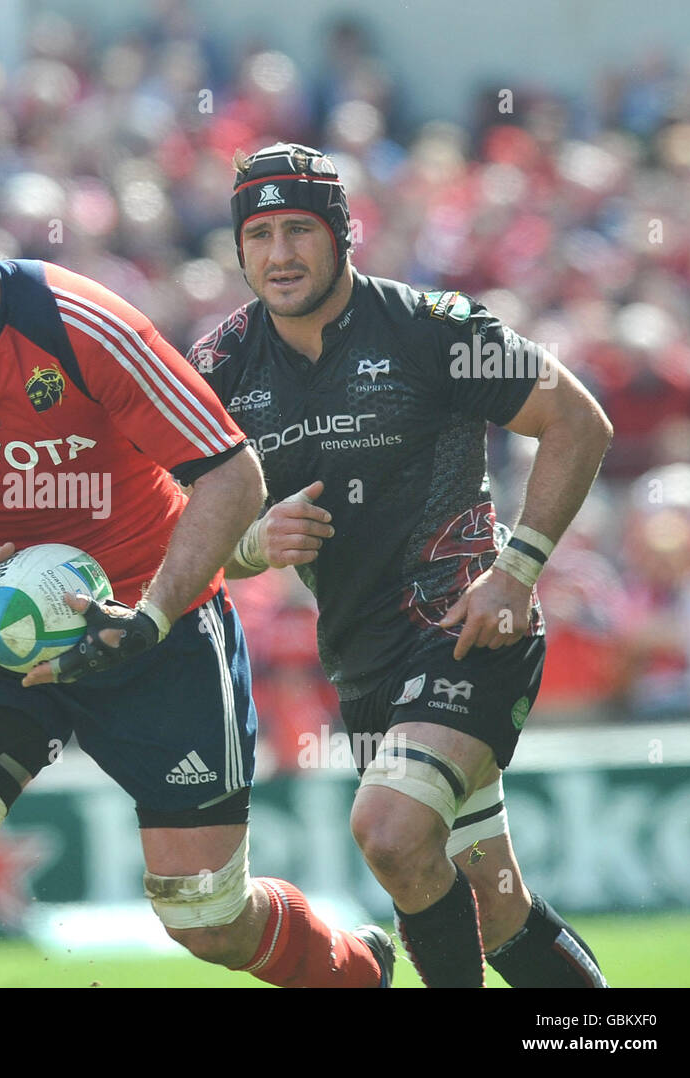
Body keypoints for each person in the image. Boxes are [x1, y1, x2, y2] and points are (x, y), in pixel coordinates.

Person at [0, 150, 395, 989]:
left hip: (160, 625)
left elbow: (233, 476)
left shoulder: (81, 325)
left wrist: (152, 616)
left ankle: (352, 972)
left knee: (206, 916)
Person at [188, 142, 612, 987]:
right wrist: (249, 542)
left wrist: (517, 570)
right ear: (238, 248)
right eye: (260, 234)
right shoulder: (218, 369)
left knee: (388, 831)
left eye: (300, 229)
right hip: (362, 660)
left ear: (342, 235)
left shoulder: (431, 328)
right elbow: (180, 530)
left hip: (467, 627)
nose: (280, 254)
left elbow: (578, 421)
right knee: (496, 909)